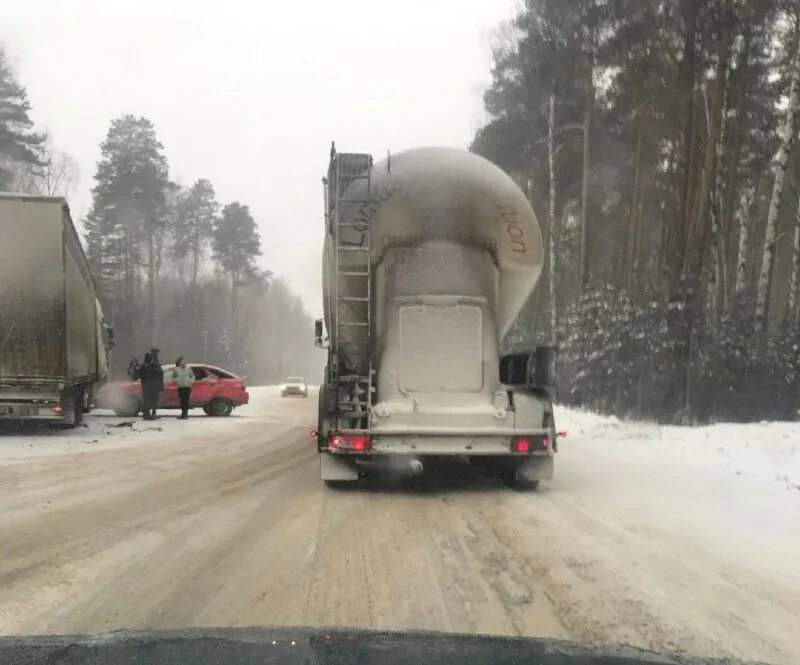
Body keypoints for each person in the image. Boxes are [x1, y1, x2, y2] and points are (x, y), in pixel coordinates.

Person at [138, 350, 164, 420]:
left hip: (150, 386)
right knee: (147, 401)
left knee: (149, 401)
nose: (151, 359)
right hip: (147, 386)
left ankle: (148, 414)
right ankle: (146, 415)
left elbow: (159, 372)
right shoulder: (146, 366)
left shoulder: (148, 366)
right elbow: (157, 372)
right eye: (150, 357)